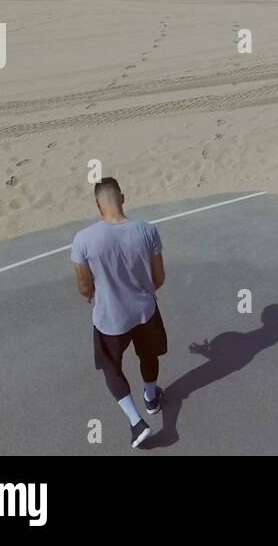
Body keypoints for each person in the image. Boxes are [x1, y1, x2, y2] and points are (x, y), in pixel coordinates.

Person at [71, 177, 168, 448]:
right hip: (144, 312)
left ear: (97, 204)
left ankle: (137, 423)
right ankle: (151, 397)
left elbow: (83, 285)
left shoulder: (83, 240)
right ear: (122, 198)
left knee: (111, 366)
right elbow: (159, 276)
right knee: (147, 354)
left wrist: (93, 298)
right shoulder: (148, 231)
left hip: (110, 319)